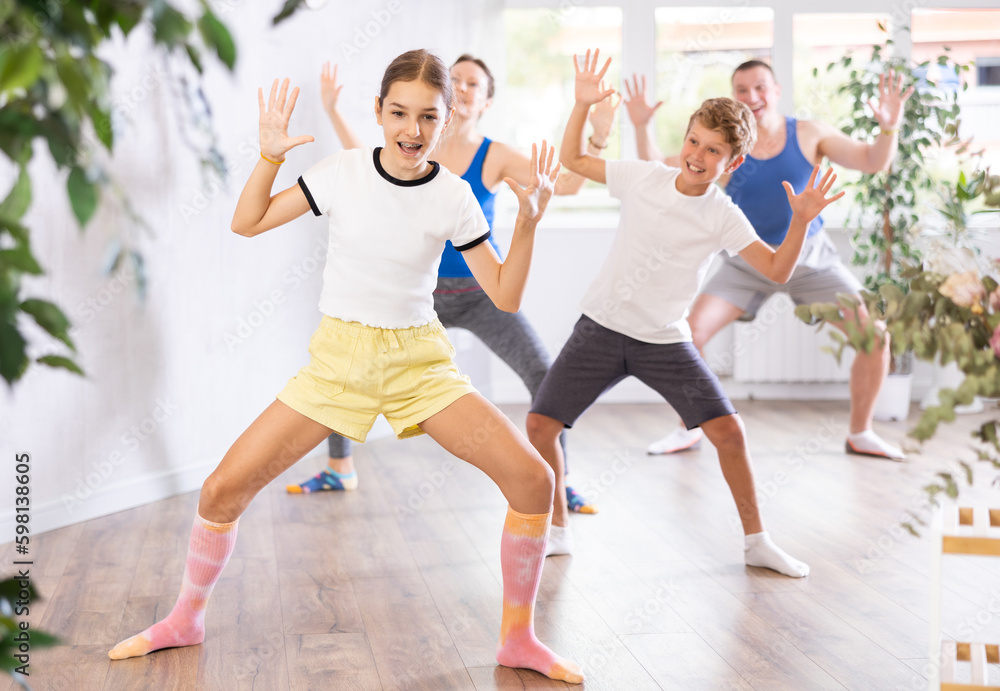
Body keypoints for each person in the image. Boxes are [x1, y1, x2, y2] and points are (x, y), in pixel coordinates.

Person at [108, 50, 583, 684]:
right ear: (379, 111)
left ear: (446, 121)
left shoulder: (455, 195)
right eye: (399, 113)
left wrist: (528, 223)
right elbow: (247, 222)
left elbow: (505, 295)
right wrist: (269, 156)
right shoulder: (341, 172)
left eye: (428, 116)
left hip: (420, 364)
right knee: (220, 491)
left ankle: (518, 639)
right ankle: (185, 620)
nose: (412, 129)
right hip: (339, 361)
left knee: (533, 482)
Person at [526, 49, 844, 576]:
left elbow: (776, 270)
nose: (697, 155)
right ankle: (558, 531)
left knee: (730, 432)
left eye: (713, 150)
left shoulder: (723, 214)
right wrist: (582, 105)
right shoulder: (644, 176)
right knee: (540, 424)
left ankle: (757, 542)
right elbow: (575, 161)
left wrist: (801, 222)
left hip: (664, 342)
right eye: (694, 141)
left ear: (733, 163)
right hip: (600, 328)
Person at [288, 57, 617, 517]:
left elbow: (563, 185)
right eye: (456, 79)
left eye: (473, 83)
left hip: (481, 294)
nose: (462, 87)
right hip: (418, 297)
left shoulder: (494, 155)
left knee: (543, 374)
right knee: (350, 368)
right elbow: (363, 169)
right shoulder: (415, 141)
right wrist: (332, 110)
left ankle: (557, 481)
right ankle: (339, 468)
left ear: (485, 101)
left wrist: (595, 134)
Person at [624, 61, 914, 460]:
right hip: (749, 260)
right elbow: (659, 164)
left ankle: (860, 434)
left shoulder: (809, 133)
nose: (752, 96)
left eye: (760, 87)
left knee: (875, 336)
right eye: (741, 90)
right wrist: (641, 126)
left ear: (776, 90)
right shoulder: (726, 146)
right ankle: (688, 427)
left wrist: (889, 128)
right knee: (688, 334)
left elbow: (871, 161)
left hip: (811, 259)